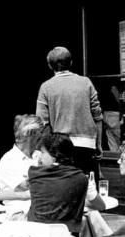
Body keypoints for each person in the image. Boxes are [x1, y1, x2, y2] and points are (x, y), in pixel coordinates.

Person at [36, 46, 103, 179]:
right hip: (87, 143)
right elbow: (97, 116)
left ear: (50, 66)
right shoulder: (86, 82)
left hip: (60, 145)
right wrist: (99, 144)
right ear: (71, 62)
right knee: (88, 184)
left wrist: (46, 149)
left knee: (65, 184)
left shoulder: (46, 87)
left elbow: (42, 122)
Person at [0, 114, 44, 220]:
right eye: (40, 133)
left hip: (42, 209)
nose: (43, 136)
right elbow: (25, 186)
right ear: (29, 134)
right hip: (20, 212)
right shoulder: (9, 159)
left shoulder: (40, 155)